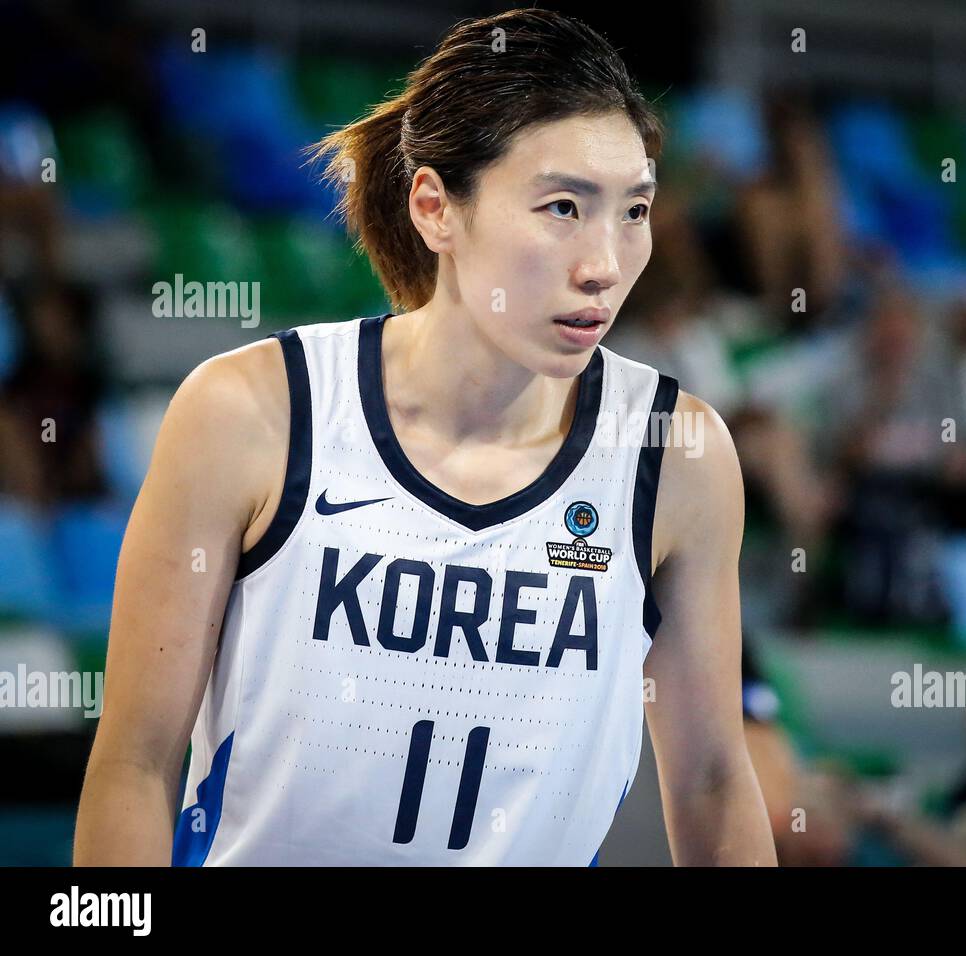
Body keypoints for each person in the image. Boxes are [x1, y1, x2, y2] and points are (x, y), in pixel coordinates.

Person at [74, 9, 775, 867]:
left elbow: (710, 780)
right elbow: (136, 764)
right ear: (436, 207)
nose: (604, 263)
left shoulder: (677, 455)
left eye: (634, 210)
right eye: (563, 206)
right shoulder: (249, 412)